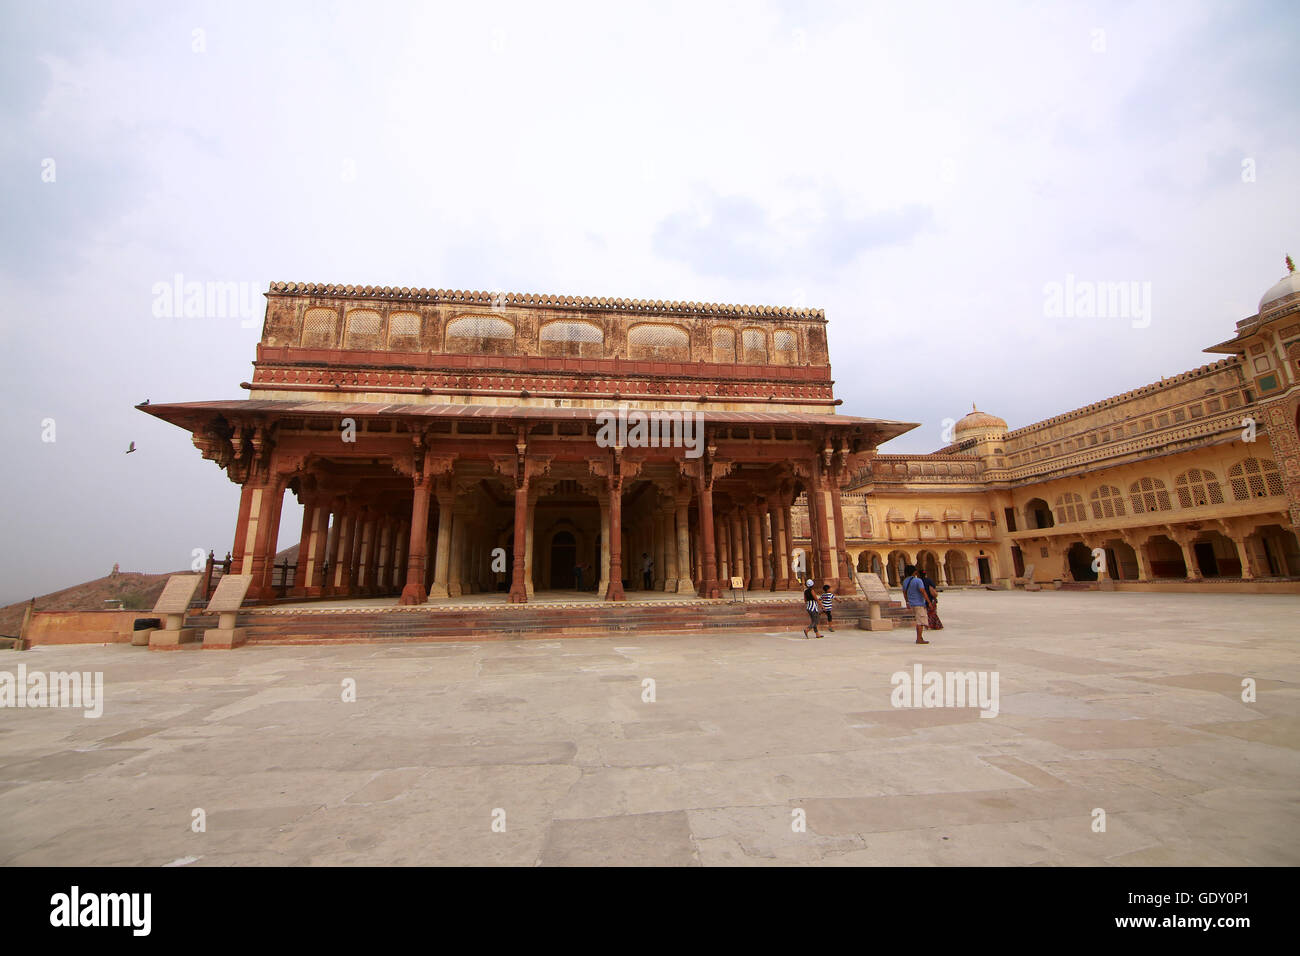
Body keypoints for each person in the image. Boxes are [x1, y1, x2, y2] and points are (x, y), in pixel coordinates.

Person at [902, 565, 930, 644]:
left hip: (912, 604)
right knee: (920, 622)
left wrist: (907, 602)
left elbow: (904, 593)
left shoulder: (905, 581)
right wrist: (929, 602)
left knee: (919, 620)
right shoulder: (918, 580)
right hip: (919, 603)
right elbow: (923, 591)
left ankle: (920, 637)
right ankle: (919, 639)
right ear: (914, 572)